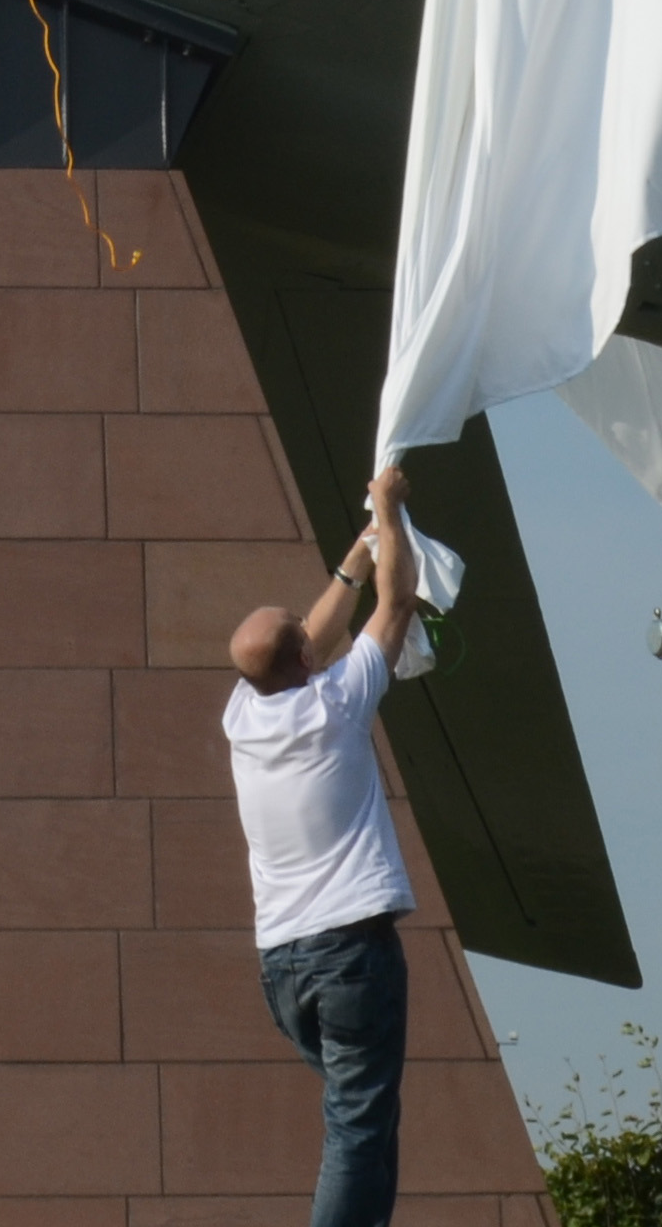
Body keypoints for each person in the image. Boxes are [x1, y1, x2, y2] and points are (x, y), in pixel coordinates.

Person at [224, 464, 425, 1227]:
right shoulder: (337, 707)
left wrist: (358, 550)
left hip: (283, 967)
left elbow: (306, 636)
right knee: (356, 1129)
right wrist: (393, 514)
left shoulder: (242, 716)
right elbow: (396, 605)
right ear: (303, 663)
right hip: (350, 955)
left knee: (366, 1119)